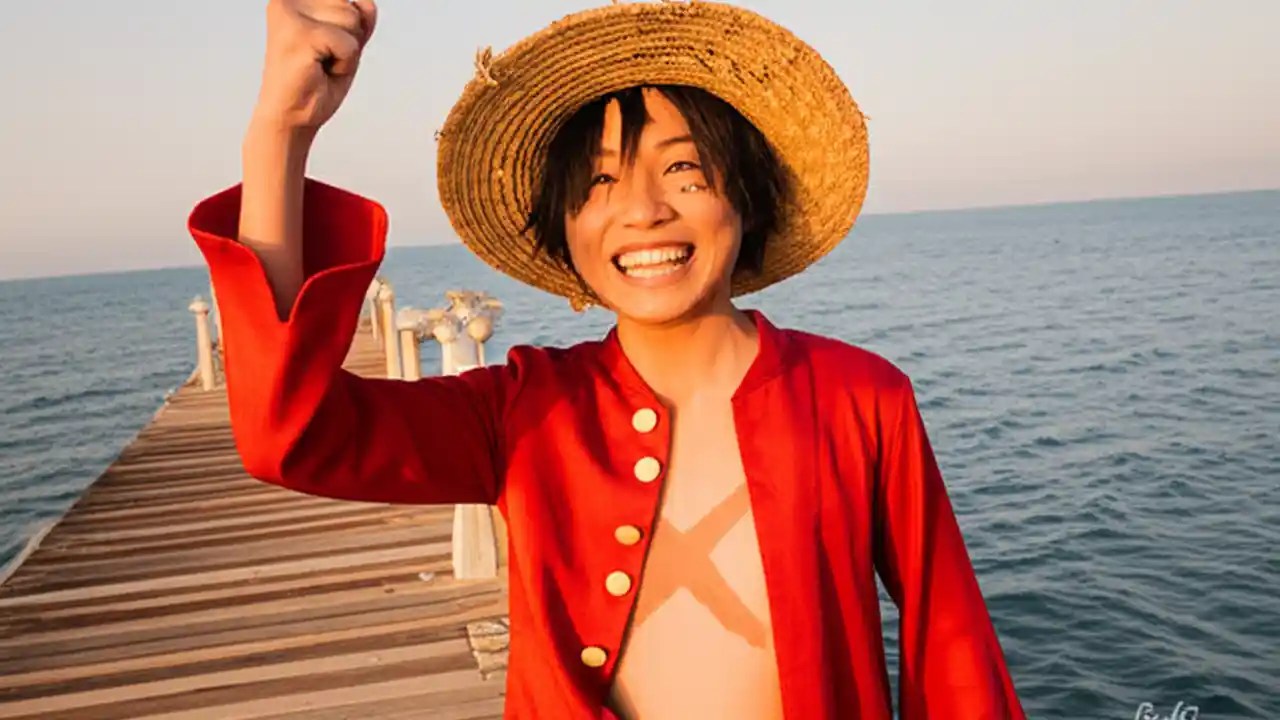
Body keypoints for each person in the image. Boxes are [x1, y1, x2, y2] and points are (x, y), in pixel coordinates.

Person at [188, 0, 1026, 717]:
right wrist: (281, 133)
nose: (643, 210)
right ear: (564, 230)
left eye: (685, 170)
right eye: (597, 183)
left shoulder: (860, 396)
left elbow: (951, 644)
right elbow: (291, 435)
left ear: (747, 200)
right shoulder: (521, 410)